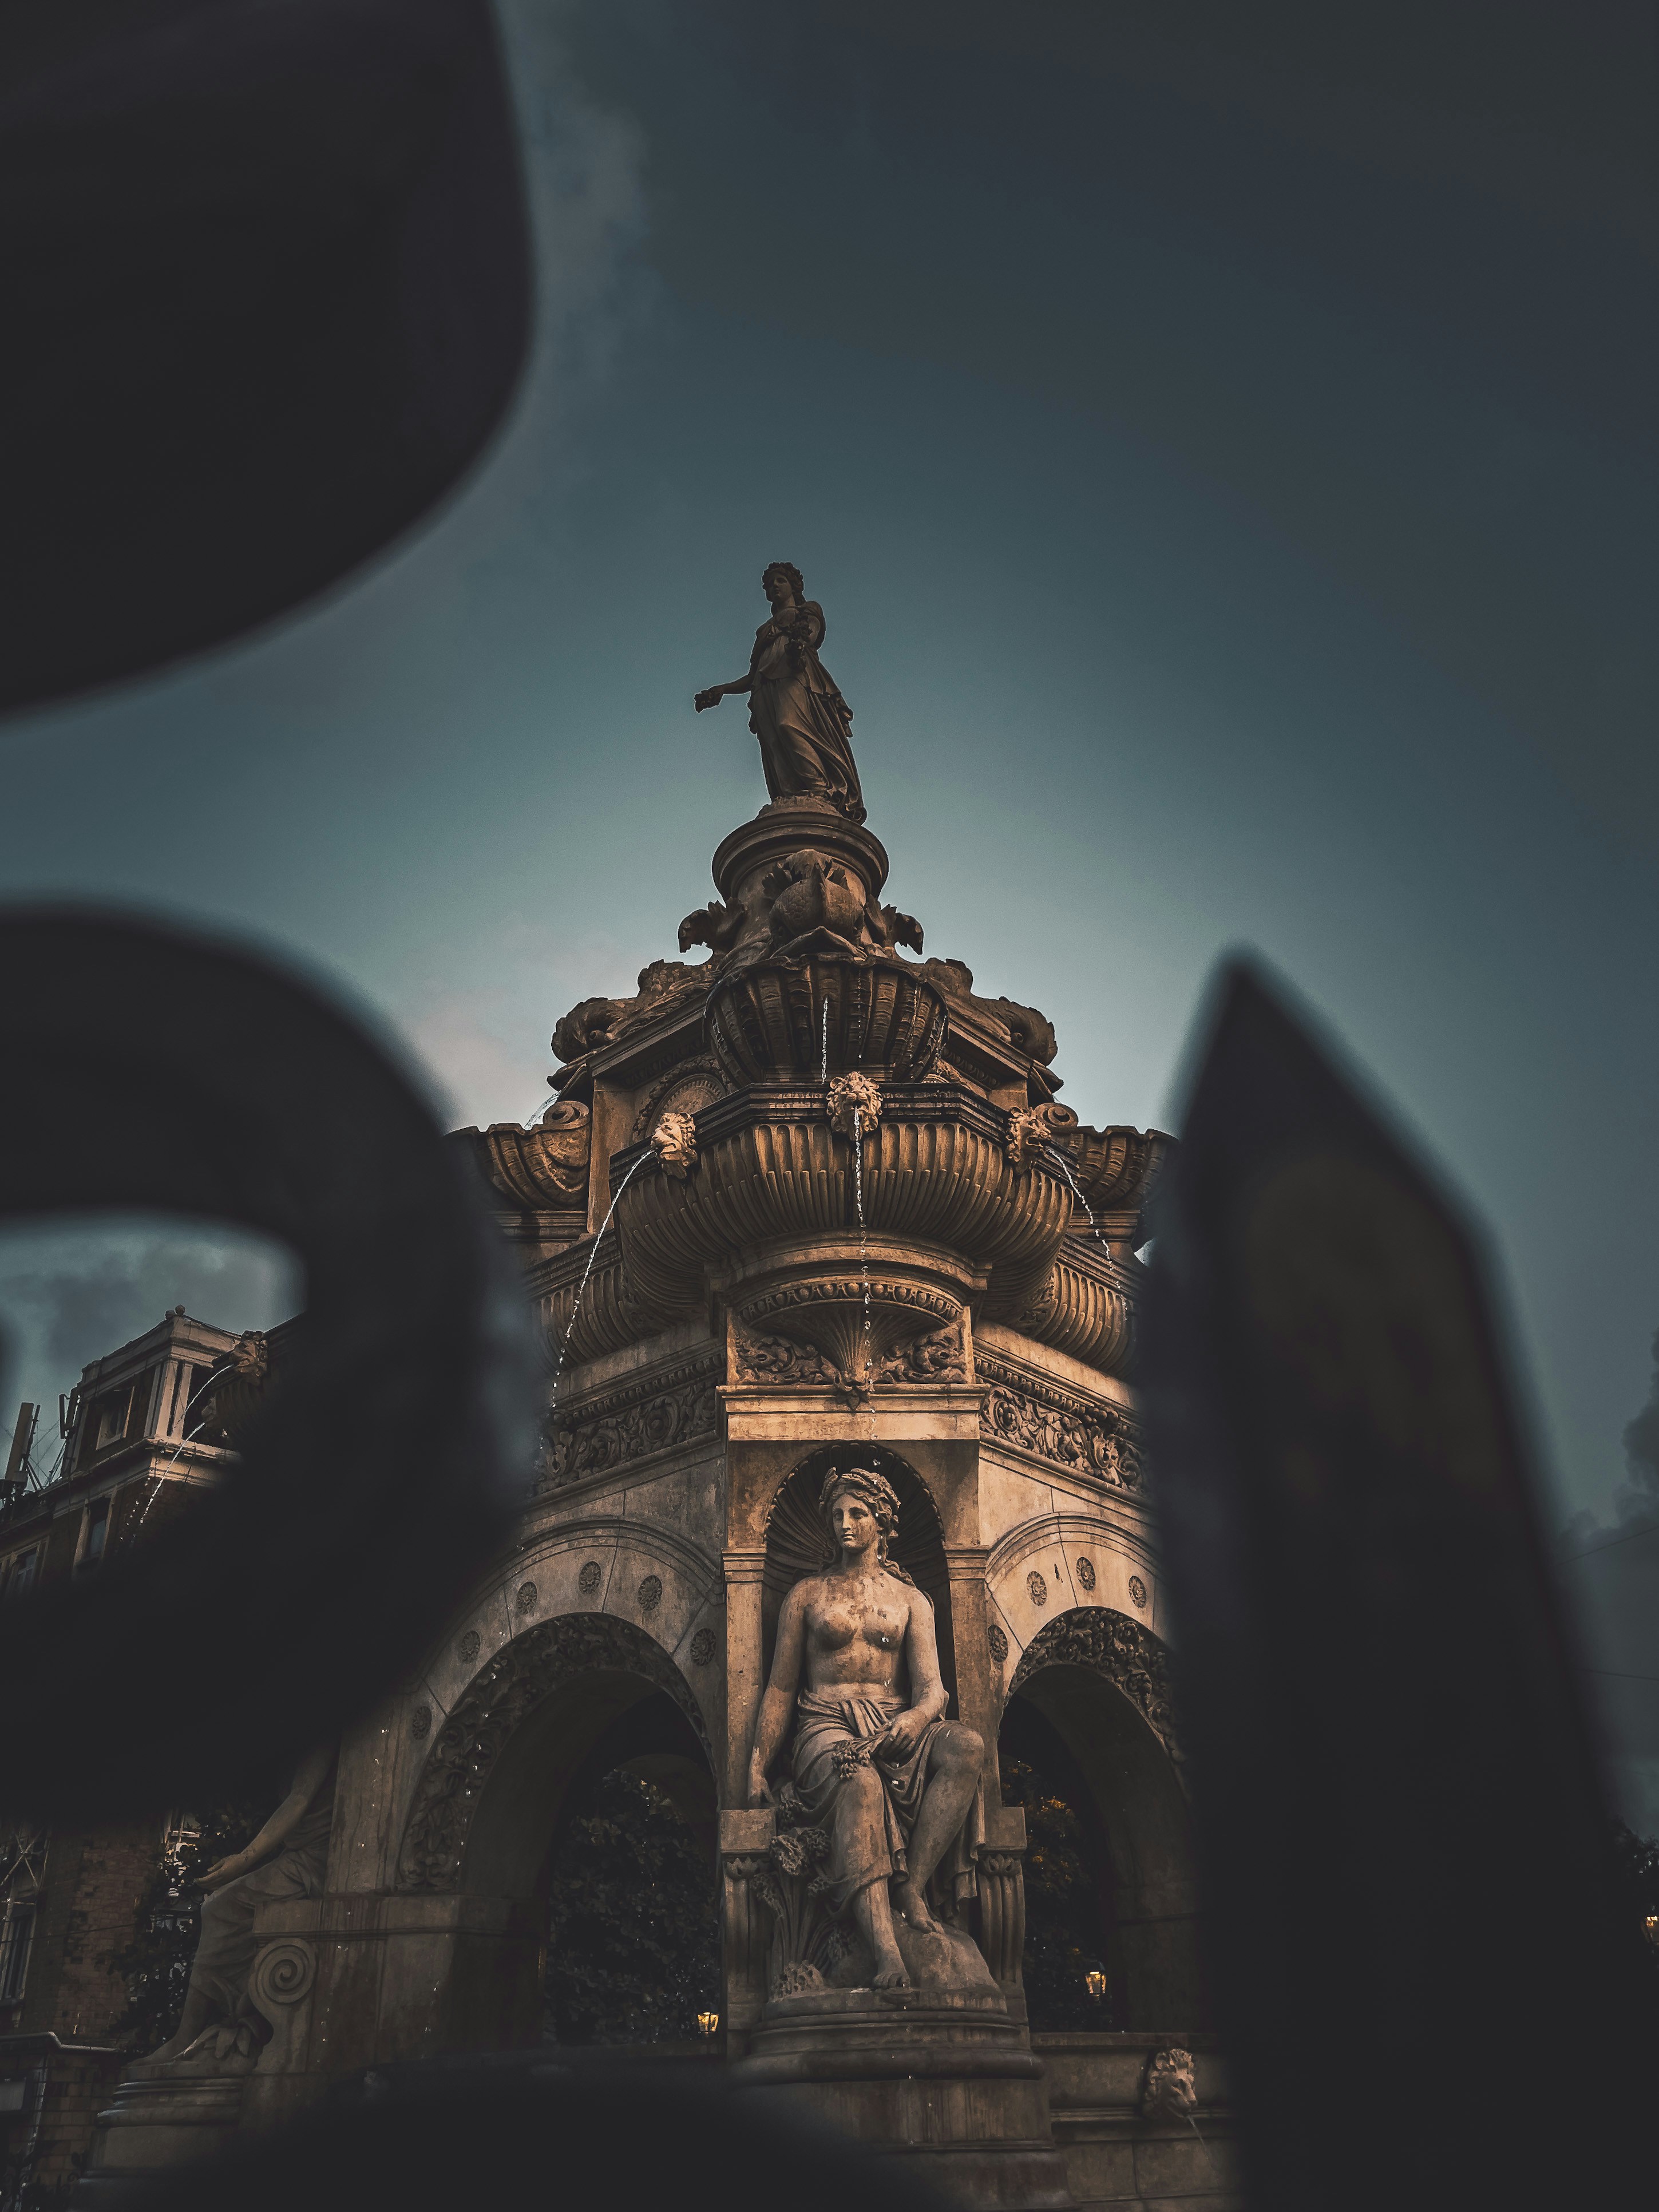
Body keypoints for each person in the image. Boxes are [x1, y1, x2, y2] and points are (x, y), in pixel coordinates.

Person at [747, 1466, 983, 1989]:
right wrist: (758, 1761)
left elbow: (933, 1689)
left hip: (895, 1723)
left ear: (882, 1520)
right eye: (836, 1514)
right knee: (861, 1785)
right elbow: (781, 1687)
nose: (844, 1524)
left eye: (856, 1513)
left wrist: (917, 1718)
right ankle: (886, 1954)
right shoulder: (807, 1594)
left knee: (966, 1746)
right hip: (826, 1725)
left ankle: (912, 1888)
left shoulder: (909, 1599)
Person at [152, 1744, 336, 2061]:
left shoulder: (320, 1736)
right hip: (298, 1858)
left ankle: (186, 2035)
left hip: (315, 1864)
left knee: (220, 1909)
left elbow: (300, 1798)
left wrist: (245, 1858)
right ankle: (221, 2018)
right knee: (218, 1907)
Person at [695, 563, 865, 821]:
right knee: (774, 742)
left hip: (794, 678)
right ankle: (789, 797)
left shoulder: (807, 611)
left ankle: (819, 792)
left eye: (780, 581)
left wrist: (799, 645)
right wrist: (721, 690)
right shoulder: (764, 631)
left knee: (790, 726)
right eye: (769, 585)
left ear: (793, 585)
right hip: (763, 688)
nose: (774, 586)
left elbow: (810, 636)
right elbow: (753, 675)